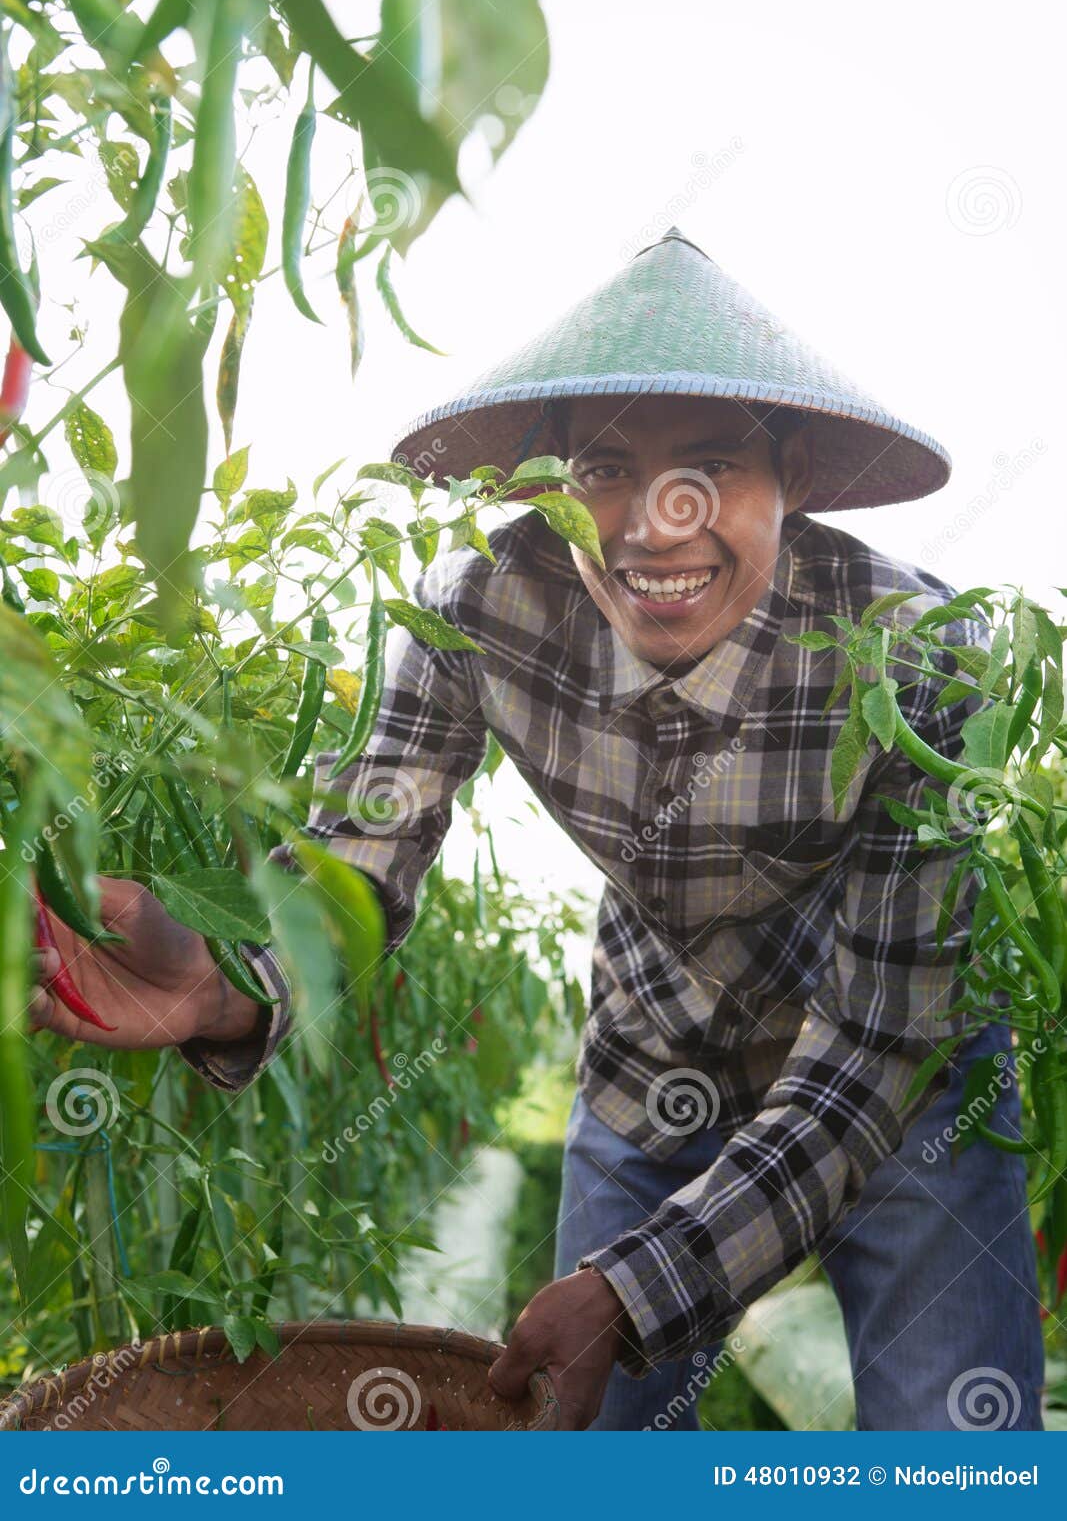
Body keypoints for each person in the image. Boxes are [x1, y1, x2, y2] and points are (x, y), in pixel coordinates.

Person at [32, 227, 1044, 1432]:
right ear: (544, 489)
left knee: (951, 1452)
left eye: (711, 466)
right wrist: (232, 978)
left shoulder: (922, 656)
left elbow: (877, 1042)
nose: (654, 526)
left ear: (800, 478)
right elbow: (361, 852)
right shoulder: (485, 607)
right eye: (603, 470)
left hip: (899, 1074)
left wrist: (630, 1286)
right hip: (653, 1052)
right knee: (590, 1451)